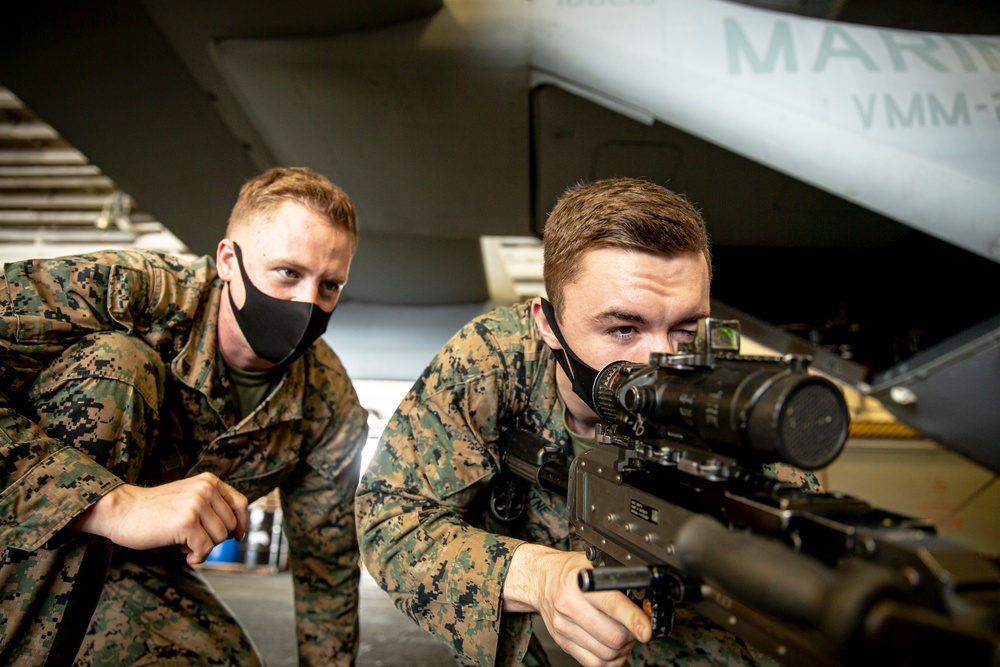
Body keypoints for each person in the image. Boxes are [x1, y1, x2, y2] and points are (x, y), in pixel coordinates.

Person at [355, 178, 819, 667]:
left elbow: (797, 554)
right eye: (623, 328)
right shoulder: (491, 363)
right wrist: (539, 576)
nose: (660, 360)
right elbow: (390, 517)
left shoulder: (719, 391)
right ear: (546, 324)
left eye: (685, 329)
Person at [0, 167, 369, 666]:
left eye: (329, 286)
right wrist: (114, 506)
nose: (308, 303)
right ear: (228, 261)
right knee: (120, 364)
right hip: (20, 520)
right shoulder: (133, 292)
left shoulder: (328, 405)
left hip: (128, 566)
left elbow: (328, 574)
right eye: (288, 273)